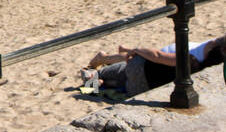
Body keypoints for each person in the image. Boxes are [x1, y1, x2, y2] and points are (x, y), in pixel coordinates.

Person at [83, 36, 224, 94]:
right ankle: (105, 84)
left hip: (140, 70)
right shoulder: (206, 66)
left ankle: (96, 76)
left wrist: (136, 50)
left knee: (133, 59)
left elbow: (157, 56)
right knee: (120, 79)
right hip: (141, 88)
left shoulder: (191, 60)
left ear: (213, 50)